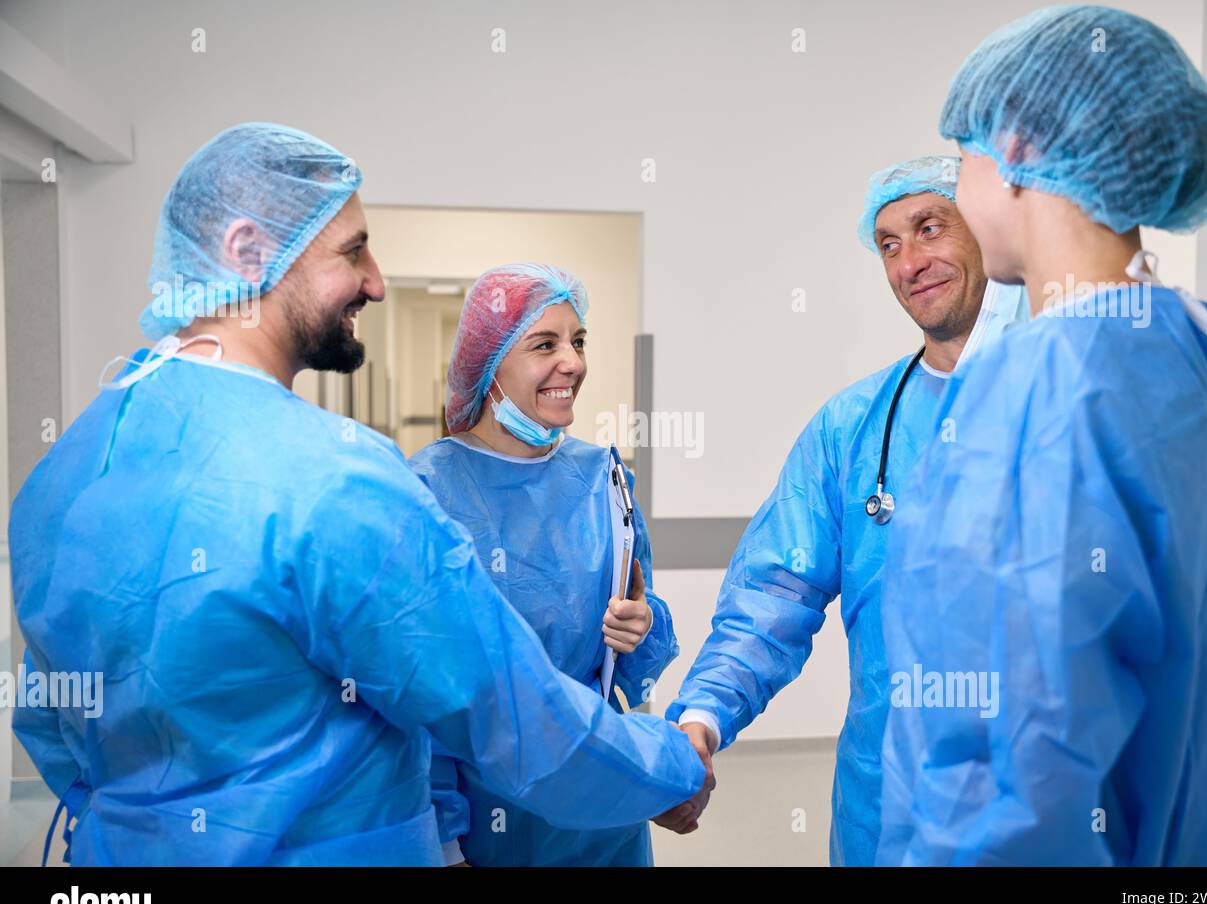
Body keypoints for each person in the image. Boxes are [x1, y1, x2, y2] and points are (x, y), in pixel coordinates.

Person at [9, 122, 709, 866]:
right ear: (248, 251)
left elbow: (53, 723)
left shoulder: (71, 466)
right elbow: (511, 715)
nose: (375, 281)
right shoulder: (335, 480)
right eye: (352, 250)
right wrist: (673, 768)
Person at [878, 5, 1207, 865]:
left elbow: (1015, 751)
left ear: (1021, 152)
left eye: (964, 159)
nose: (960, 190)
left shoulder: (1038, 385)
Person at [659, 156, 1029, 863]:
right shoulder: (853, 427)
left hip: (1044, 802)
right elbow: (774, 594)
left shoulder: (1065, 399)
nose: (910, 261)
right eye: (889, 244)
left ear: (984, 229)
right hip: (888, 804)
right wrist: (702, 719)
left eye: (930, 228)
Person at [408, 263, 680, 866]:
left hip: (604, 812)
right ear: (490, 365)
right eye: (545, 344)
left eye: (579, 341)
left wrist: (639, 627)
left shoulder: (605, 479)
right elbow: (420, 691)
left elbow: (630, 661)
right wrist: (447, 845)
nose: (574, 363)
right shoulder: (426, 490)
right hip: (487, 821)